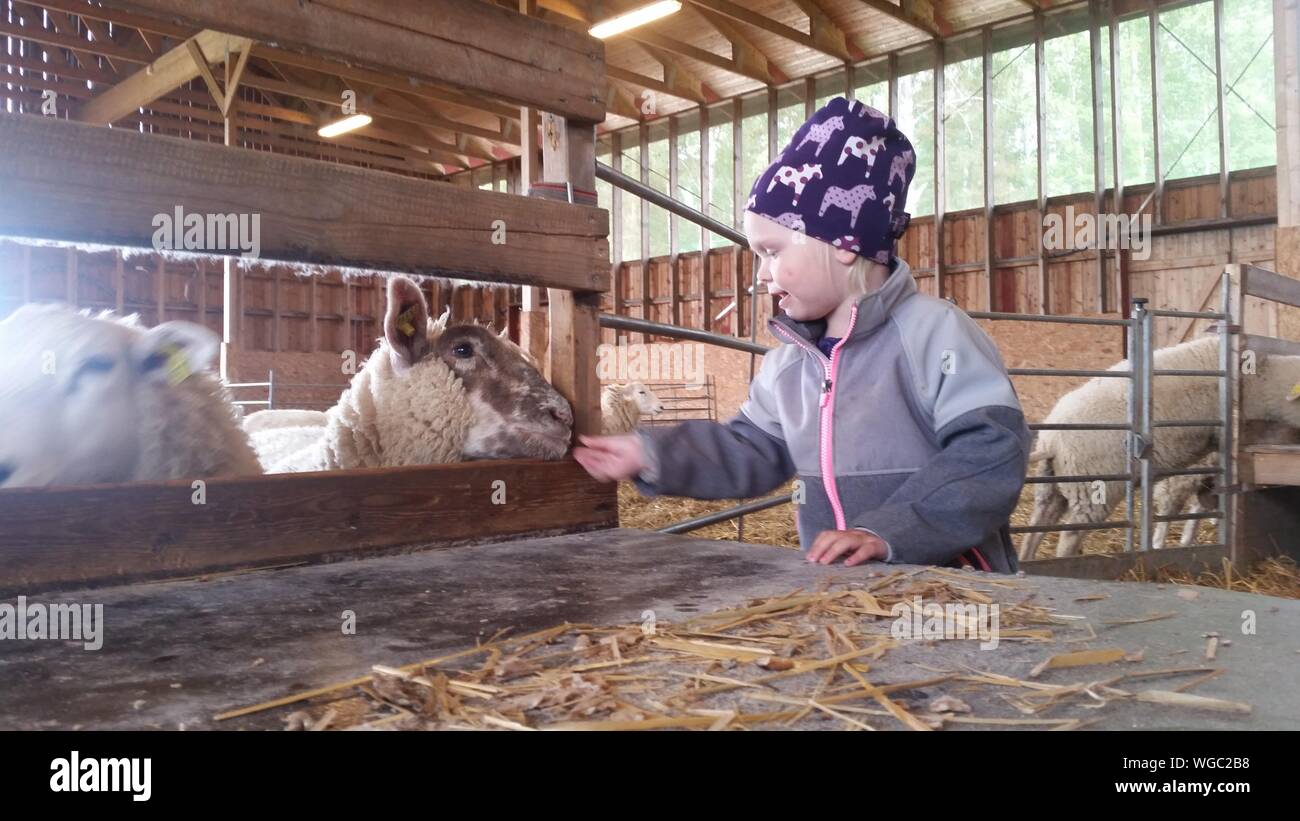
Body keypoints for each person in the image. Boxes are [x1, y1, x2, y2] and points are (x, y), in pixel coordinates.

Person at [575, 96, 1031, 572]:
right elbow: (750, 450)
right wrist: (651, 453)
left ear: (842, 245)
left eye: (771, 251)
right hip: (841, 601)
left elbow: (991, 450)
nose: (762, 274)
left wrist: (892, 531)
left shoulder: (934, 334)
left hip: (948, 591)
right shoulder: (788, 365)